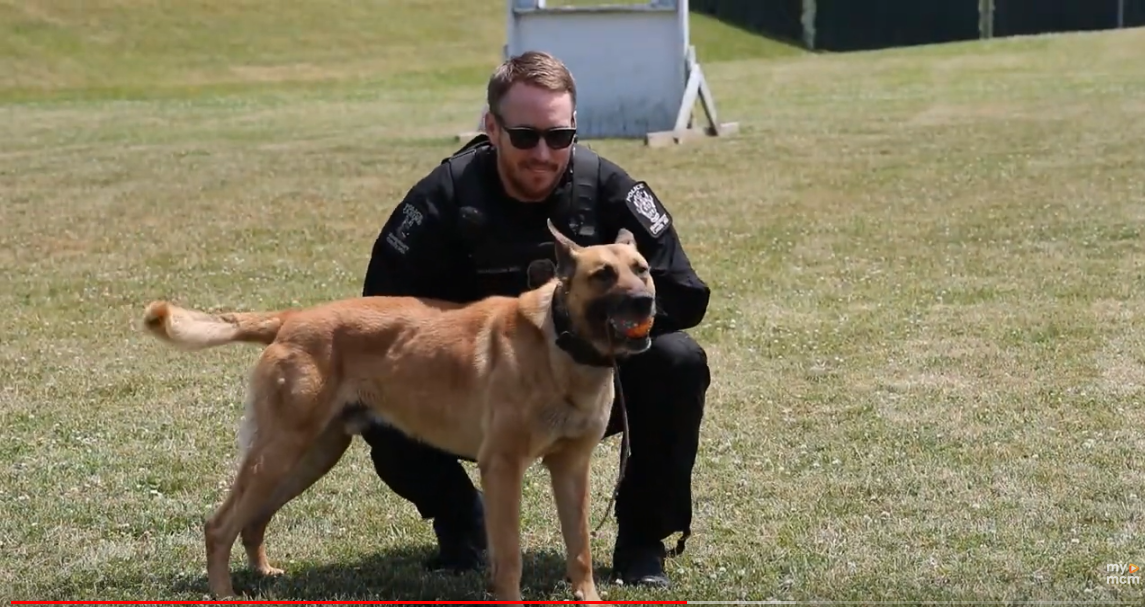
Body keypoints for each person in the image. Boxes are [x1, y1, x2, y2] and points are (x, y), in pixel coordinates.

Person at [357, 50, 711, 588]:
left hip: (591, 383)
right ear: (491, 128)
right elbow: (380, 306)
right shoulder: (445, 195)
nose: (543, 153)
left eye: (559, 136)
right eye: (524, 136)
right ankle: (461, 519)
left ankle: (642, 540)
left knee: (677, 361)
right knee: (377, 379)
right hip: (468, 386)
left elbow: (685, 290)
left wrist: (598, 332)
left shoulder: (608, 188)